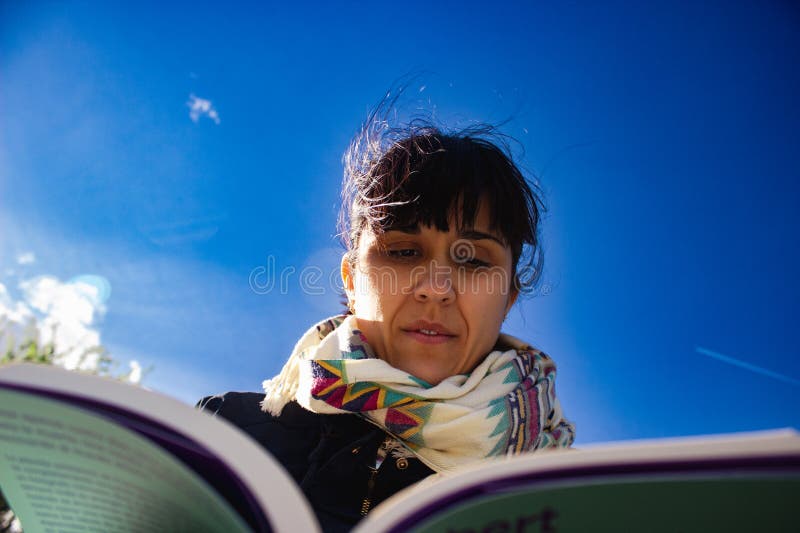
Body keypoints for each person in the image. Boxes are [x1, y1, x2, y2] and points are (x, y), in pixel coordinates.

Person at [198, 99, 575, 532]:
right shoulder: (224, 438)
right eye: (403, 251)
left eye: (473, 261)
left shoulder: (571, 498)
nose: (436, 288)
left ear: (508, 296)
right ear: (352, 281)